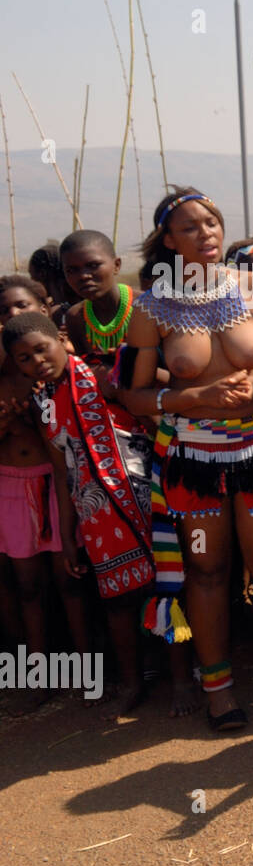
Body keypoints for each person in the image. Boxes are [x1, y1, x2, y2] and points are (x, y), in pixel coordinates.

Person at [123, 186, 253, 731]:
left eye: (211, 222)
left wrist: (252, 384)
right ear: (168, 240)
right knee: (206, 570)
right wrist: (193, 399)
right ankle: (218, 687)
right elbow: (133, 395)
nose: (205, 234)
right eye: (189, 227)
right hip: (194, 455)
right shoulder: (149, 307)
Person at [4, 311, 197, 718]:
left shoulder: (101, 375)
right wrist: (68, 533)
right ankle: (132, 683)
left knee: (165, 592)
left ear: (60, 340)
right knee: (117, 603)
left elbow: (155, 416)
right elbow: (61, 472)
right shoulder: (43, 406)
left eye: (42, 349)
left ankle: (181, 677)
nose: (37, 360)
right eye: (25, 358)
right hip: (95, 516)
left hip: (145, 499)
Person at [0, 289, 68, 713]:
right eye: (3, 310)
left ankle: (87, 666)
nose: (12, 315)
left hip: (56, 485)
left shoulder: (51, 367)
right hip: (13, 488)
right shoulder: (5, 374)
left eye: (20, 306)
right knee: (26, 585)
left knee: (69, 582)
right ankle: (38, 673)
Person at [59, 230, 135, 374]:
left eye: (93, 265)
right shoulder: (75, 317)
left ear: (116, 265)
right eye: (72, 270)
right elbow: (89, 376)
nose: (83, 276)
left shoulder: (146, 307)